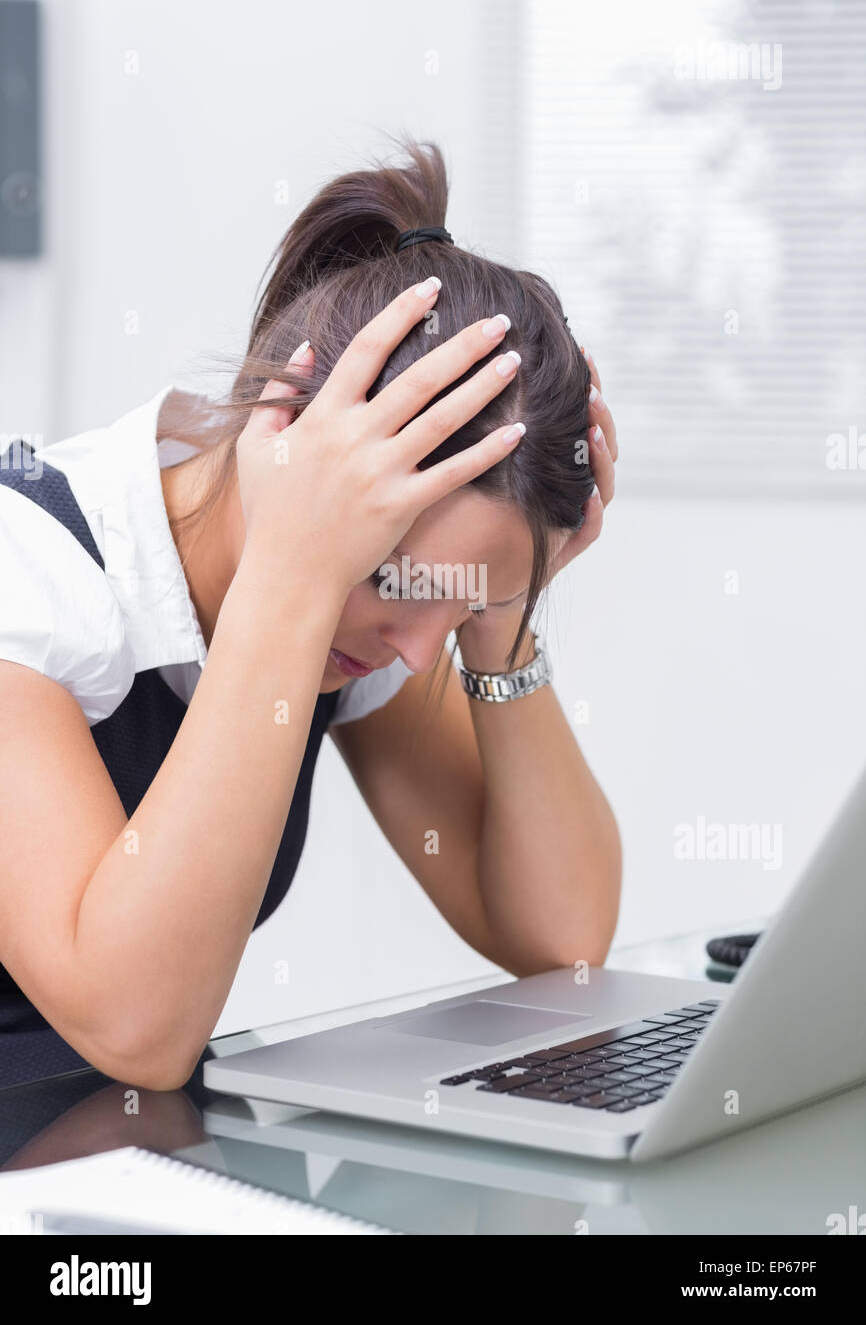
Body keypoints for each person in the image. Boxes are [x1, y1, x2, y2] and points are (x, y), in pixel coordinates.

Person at [0, 138, 620, 1093]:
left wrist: (501, 615)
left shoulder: (373, 621)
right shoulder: (28, 568)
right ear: (282, 437)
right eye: (394, 581)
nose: (416, 657)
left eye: (452, 609)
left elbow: (562, 938)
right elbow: (134, 1029)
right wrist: (294, 576)